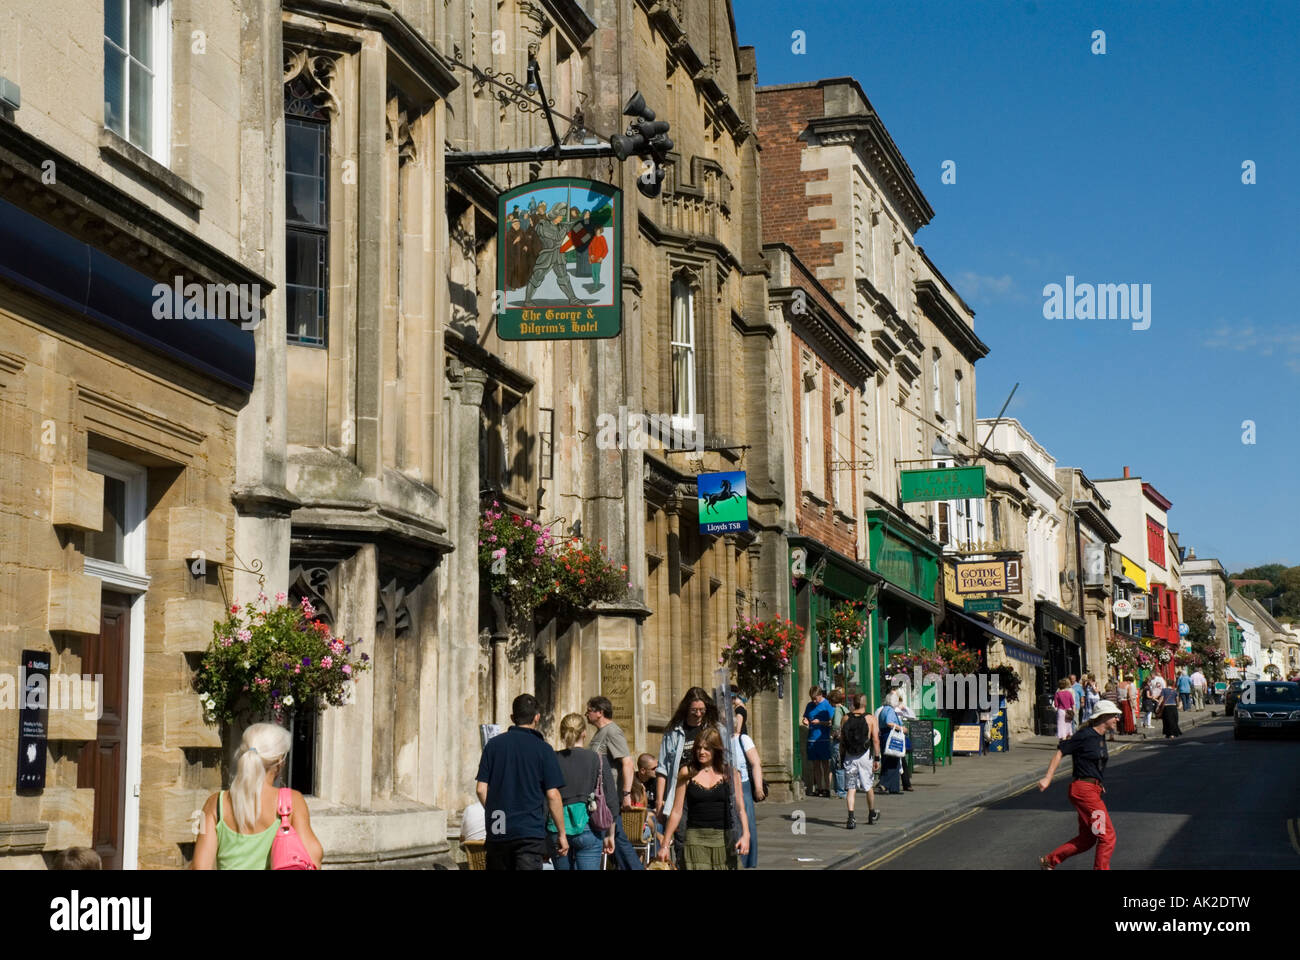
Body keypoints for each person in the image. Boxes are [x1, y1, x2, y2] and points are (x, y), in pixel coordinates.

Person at [192, 722, 323, 870]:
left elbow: (199, 866)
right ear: (280, 762)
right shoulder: (292, 801)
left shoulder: (214, 804)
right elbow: (313, 856)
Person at [475, 693, 567, 870]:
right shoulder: (544, 749)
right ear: (537, 718)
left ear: (512, 717)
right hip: (529, 830)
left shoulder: (493, 745)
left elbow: (480, 789)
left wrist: (496, 812)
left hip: (499, 827)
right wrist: (561, 833)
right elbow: (553, 795)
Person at [1037, 700, 1122, 870]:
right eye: (1114, 716)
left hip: (1091, 790)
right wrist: (1048, 777)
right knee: (1107, 836)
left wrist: (1097, 781)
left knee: (1088, 838)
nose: (1117, 719)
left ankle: (1050, 861)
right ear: (1103, 717)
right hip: (1084, 792)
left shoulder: (1100, 736)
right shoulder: (1084, 736)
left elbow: (1092, 763)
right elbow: (1061, 751)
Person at [657, 726, 749, 870]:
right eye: (699, 748)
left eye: (707, 748)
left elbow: (740, 807)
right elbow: (676, 811)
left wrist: (746, 835)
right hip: (695, 839)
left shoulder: (730, 773)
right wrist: (665, 845)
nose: (701, 752)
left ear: (716, 750)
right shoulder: (687, 772)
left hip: (724, 838)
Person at [655, 687, 719, 864]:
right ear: (686, 709)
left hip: (707, 793)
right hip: (680, 795)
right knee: (682, 840)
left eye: (702, 710)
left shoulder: (713, 730)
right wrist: (659, 801)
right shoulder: (673, 731)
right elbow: (662, 769)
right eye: (694, 710)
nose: (698, 714)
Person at [548, 713, 616, 870]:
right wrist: (610, 834)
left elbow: (546, 797)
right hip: (588, 826)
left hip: (558, 828)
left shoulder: (552, 758)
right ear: (584, 733)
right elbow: (610, 800)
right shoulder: (597, 759)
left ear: (562, 733)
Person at [585, 695, 645, 870]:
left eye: (589, 711)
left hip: (608, 798)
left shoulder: (612, 731)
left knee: (617, 838)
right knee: (616, 840)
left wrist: (626, 794)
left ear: (600, 712)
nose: (586, 714)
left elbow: (627, 763)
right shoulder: (601, 733)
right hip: (601, 797)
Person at [840, 693, 881, 829]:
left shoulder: (845, 718)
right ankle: (871, 813)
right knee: (868, 786)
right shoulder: (871, 719)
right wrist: (877, 758)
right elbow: (875, 739)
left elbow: (842, 741)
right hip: (865, 756)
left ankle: (851, 818)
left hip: (850, 756)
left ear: (854, 704)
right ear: (865, 704)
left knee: (851, 788)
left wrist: (842, 756)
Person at [731, 717, 765, 868]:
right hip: (723, 786)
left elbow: (755, 763)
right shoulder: (716, 740)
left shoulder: (743, 739)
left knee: (747, 823)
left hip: (743, 785)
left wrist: (758, 788)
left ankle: (748, 863)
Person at [801, 686, 834, 796]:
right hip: (812, 739)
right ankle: (819, 788)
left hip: (823, 738)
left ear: (821, 695)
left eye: (816, 699)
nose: (814, 701)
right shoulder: (809, 705)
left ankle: (827, 788)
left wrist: (820, 722)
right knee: (816, 765)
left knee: (825, 765)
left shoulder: (827, 705)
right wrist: (805, 720)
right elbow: (805, 717)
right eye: (812, 699)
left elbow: (831, 722)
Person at [875, 691, 906, 795]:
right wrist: (901, 728)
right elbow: (889, 723)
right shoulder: (890, 711)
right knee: (893, 761)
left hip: (884, 736)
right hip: (891, 737)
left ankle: (894, 788)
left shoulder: (884, 709)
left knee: (891, 761)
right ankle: (884, 784)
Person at [828, 688, 847, 799]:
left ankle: (840, 791)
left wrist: (832, 735)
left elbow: (836, 726)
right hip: (845, 742)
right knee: (842, 765)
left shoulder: (837, 710)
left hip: (838, 742)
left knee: (838, 766)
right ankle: (841, 789)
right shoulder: (845, 709)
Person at [586, 225, 609, 292]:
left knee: (597, 273)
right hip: (593, 259)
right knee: (593, 274)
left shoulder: (602, 238)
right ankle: (596, 285)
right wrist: (590, 255)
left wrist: (602, 257)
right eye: (596, 230)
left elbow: (606, 249)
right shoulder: (593, 238)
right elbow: (590, 248)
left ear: (600, 231)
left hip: (598, 259)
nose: (597, 232)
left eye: (598, 230)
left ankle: (596, 287)